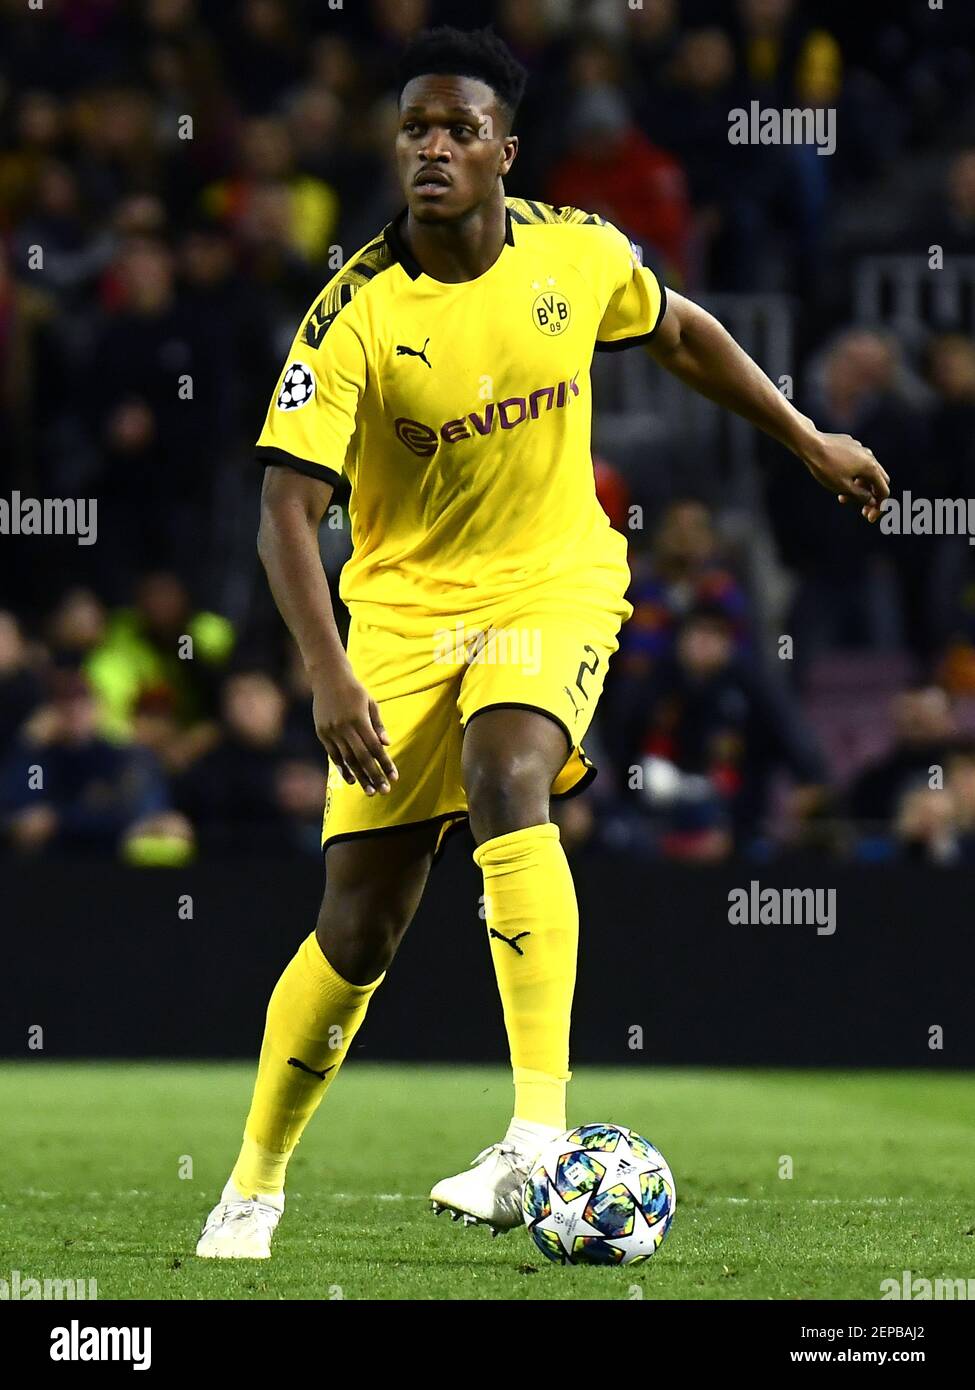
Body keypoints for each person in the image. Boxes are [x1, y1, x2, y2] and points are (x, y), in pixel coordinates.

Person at [195, 25, 889, 1260]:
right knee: (360, 925)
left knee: (508, 771)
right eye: (415, 129)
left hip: (554, 581)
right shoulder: (353, 314)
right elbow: (284, 511)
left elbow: (682, 332)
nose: (433, 149)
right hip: (402, 615)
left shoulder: (578, 250)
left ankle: (534, 1134)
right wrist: (328, 670)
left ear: (504, 152)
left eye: (459, 130)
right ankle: (253, 1185)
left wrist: (806, 437)